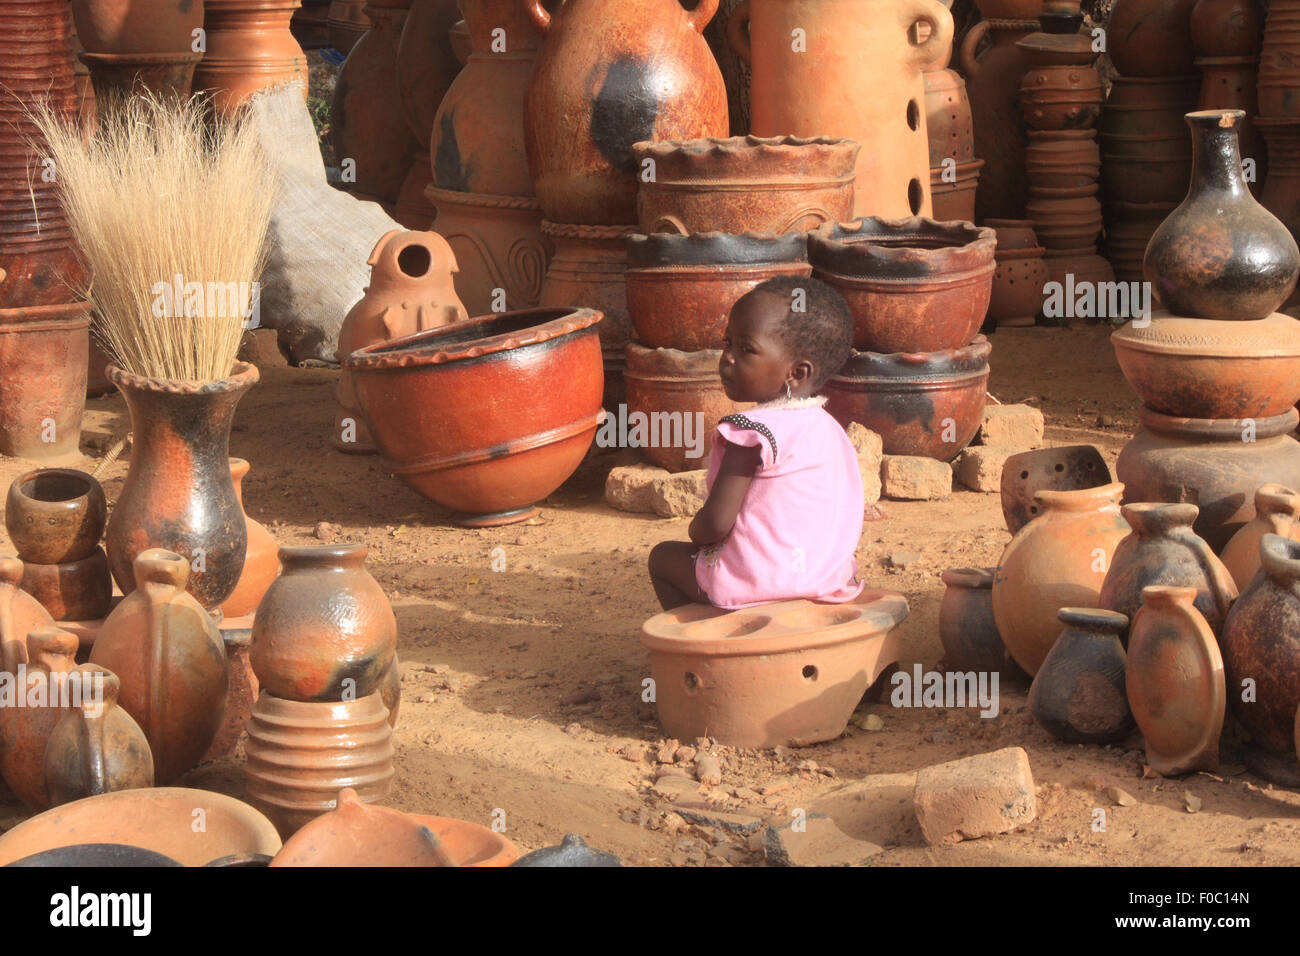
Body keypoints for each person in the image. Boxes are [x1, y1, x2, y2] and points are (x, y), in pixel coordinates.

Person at [647, 275, 865, 611]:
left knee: (663, 558)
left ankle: (704, 643)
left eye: (746, 349)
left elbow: (716, 524)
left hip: (760, 584)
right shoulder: (829, 429)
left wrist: (696, 531)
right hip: (825, 580)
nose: (728, 358)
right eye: (728, 343)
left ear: (796, 374)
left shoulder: (751, 432)